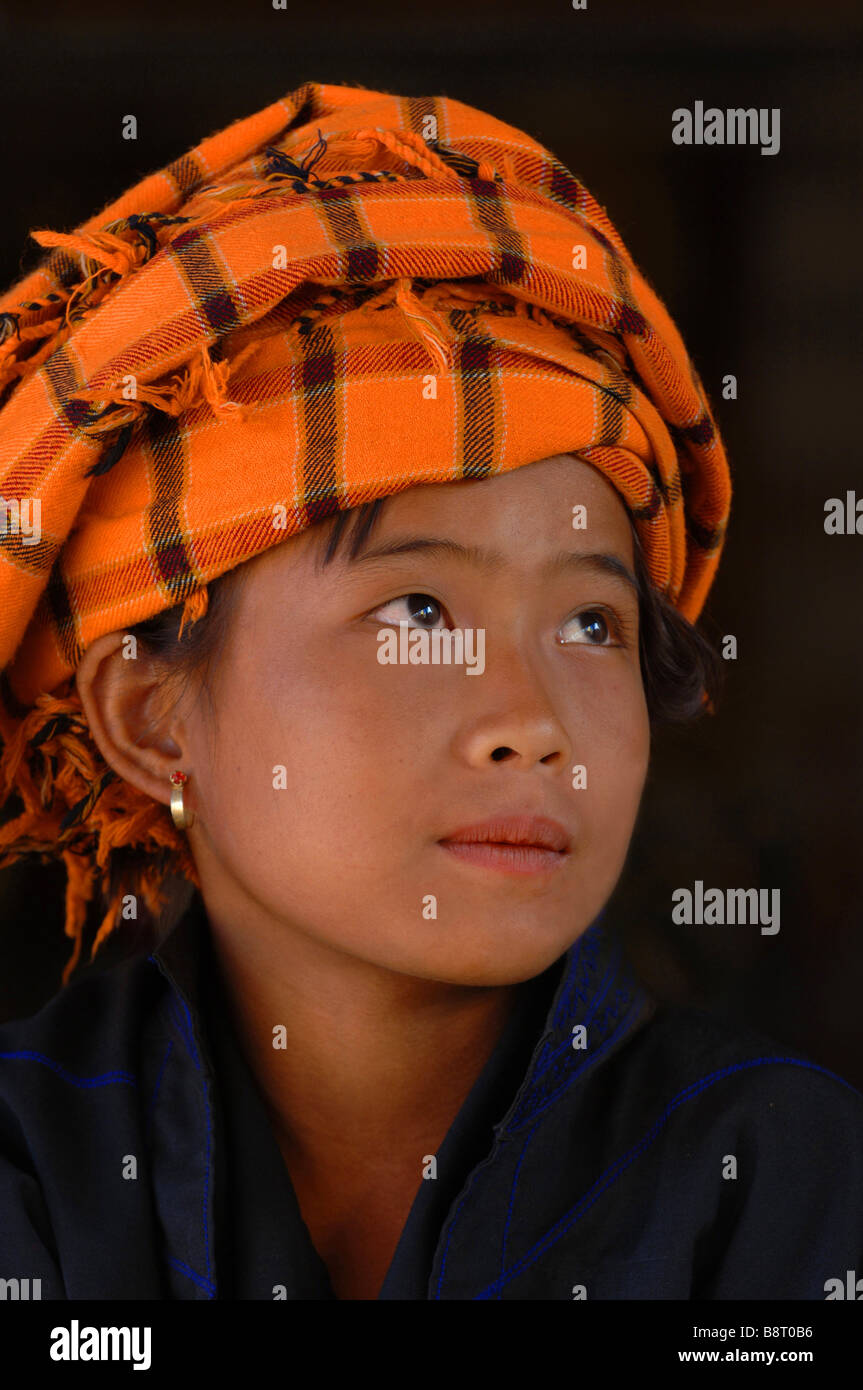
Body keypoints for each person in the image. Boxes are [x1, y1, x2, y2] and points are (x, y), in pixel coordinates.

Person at [0, 79, 860, 1302]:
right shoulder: (30, 1171)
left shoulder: (779, 1177)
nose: (531, 724)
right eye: (417, 612)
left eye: (588, 621)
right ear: (152, 718)